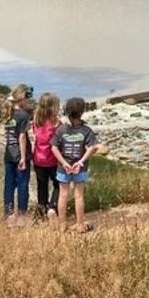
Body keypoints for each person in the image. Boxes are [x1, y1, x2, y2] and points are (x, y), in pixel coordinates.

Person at [51, 97, 100, 234]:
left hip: (63, 167)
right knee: (79, 195)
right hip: (80, 168)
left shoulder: (61, 130)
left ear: (67, 112)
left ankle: (62, 225)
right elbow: (92, 147)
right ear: (82, 112)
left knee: (63, 195)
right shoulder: (86, 130)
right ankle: (79, 224)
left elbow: (54, 147)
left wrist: (64, 163)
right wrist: (81, 162)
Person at [1, 84, 33, 228]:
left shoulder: (8, 113)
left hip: (9, 152)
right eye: (27, 98)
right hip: (20, 154)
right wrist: (22, 158)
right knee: (22, 184)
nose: (28, 101)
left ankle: (8, 213)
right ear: (21, 99)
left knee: (9, 184)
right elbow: (22, 137)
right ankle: (22, 214)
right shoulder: (23, 115)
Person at [31, 92, 62, 219]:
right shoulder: (56, 123)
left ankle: (41, 208)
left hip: (39, 158)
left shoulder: (36, 121)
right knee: (58, 184)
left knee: (41, 186)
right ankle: (53, 207)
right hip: (53, 160)